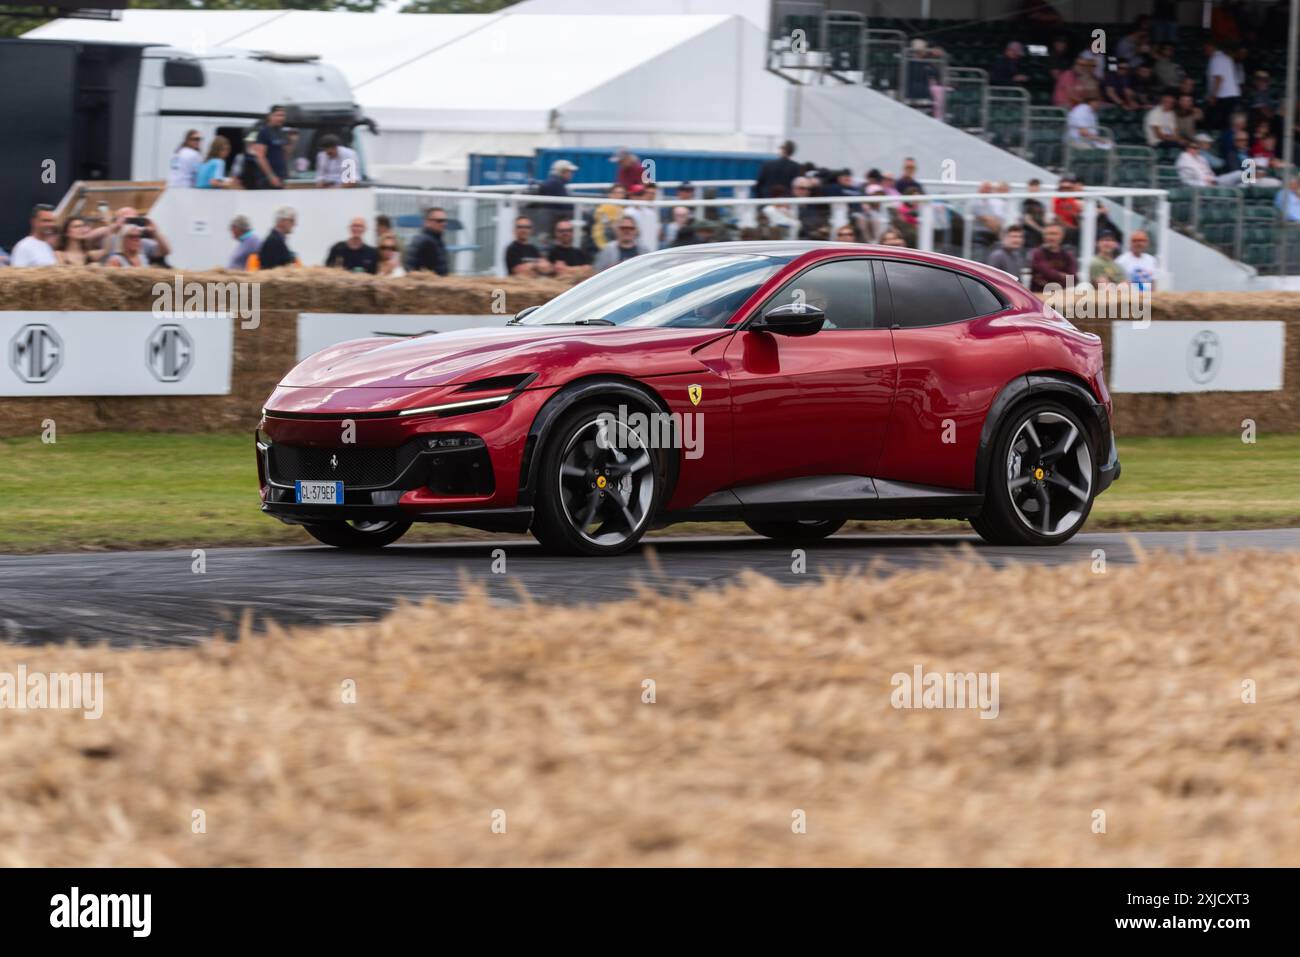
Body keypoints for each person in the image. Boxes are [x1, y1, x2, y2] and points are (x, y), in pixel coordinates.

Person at [246, 105, 289, 189]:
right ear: (270, 116)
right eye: (278, 115)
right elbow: (260, 156)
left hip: (280, 178)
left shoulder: (281, 132)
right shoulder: (264, 131)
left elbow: (284, 154)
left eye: (283, 115)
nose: (281, 118)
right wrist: (271, 176)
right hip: (267, 179)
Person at [1204, 37, 1242, 128]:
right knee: (1227, 123)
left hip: (1223, 96)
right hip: (1232, 95)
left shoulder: (1216, 59)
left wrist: (1213, 97)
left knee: (1217, 123)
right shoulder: (1226, 58)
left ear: (1211, 47)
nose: (1204, 51)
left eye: (1205, 48)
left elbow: (1219, 79)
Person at [1029, 223, 1076, 292]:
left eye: (1055, 234)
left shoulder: (1067, 255)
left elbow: (1073, 279)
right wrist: (1064, 276)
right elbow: (1048, 273)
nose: (1051, 237)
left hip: (1062, 295)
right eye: (1048, 234)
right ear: (1043, 236)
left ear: (1062, 236)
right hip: (1040, 295)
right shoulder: (1037, 253)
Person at [404, 207, 449, 276]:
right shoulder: (428, 243)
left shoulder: (435, 240)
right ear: (427, 222)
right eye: (439, 221)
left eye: (445, 220)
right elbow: (436, 273)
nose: (444, 224)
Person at [624, 184, 661, 252]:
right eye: (636, 194)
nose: (639, 197)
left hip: (650, 246)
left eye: (641, 194)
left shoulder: (651, 213)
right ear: (631, 196)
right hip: (634, 248)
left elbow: (657, 233)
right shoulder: (626, 212)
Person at [590, 185, 626, 251]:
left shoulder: (623, 207)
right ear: (611, 194)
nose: (620, 195)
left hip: (616, 240)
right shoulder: (605, 206)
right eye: (617, 193)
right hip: (602, 239)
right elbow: (606, 223)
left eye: (622, 193)